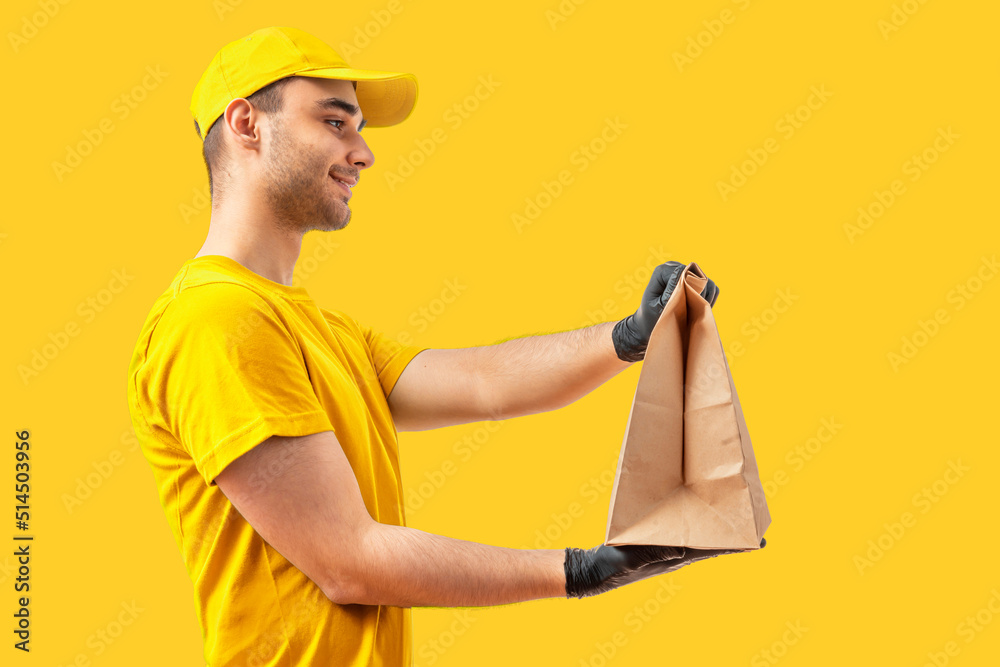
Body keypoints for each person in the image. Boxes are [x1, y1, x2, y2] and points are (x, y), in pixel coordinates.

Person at [126, 25, 760, 667]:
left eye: (360, 128)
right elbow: (350, 562)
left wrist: (628, 337)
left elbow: (484, 384)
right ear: (246, 123)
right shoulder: (215, 320)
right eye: (336, 122)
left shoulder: (322, 329)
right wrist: (578, 570)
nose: (363, 152)